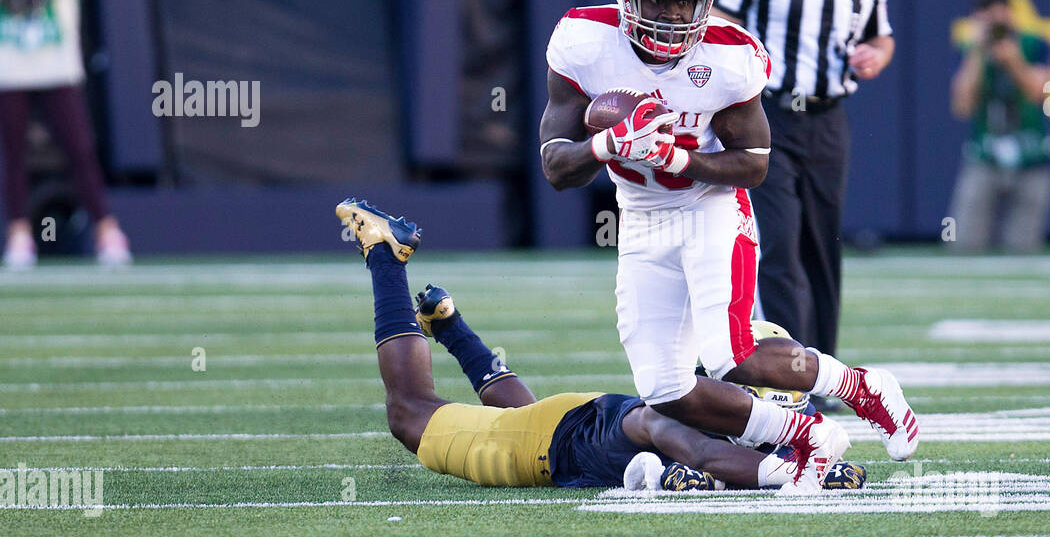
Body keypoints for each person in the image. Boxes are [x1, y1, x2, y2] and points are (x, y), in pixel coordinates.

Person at [538, 0, 918, 462]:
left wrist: (677, 158)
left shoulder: (727, 57)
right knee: (666, 390)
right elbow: (556, 167)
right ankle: (802, 435)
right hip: (642, 217)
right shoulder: (584, 43)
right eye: (659, 2)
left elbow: (755, 165)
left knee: (729, 355)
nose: (672, 18)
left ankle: (862, 387)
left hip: (709, 207)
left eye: (685, 5)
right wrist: (605, 145)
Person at [335, 196, 869, 491]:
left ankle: (451, 328)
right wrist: (792, 473)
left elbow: (716, 454)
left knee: (520, 412)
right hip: (539, 450)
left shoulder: (702, 410)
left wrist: (815, 466)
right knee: (410, 414)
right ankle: (383, 254)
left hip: (565, 424)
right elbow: (702, 451)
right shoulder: (669, 420)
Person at [713, 0, 893, 370]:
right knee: (781, 243)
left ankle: (826, 368)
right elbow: (718, 20)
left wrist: (875, 58)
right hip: (768, 115)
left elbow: (884, 38)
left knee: (823, 244)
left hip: (830, 117)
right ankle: (792, 367)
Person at [0, 0, 130, 267]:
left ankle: (107, 230)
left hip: (56, 64)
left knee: (79, 149)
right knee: (12, 155)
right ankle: (19, 234)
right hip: (11, 66)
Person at [947, 0, 1050, 254]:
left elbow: (1040, 93)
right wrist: (976, 53)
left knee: (1023, 248)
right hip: (984, 155)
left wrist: (1013, 61)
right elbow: (962, 105)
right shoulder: (970, 50)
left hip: (1032, 155)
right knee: (964, 246)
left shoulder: (1033, 44)